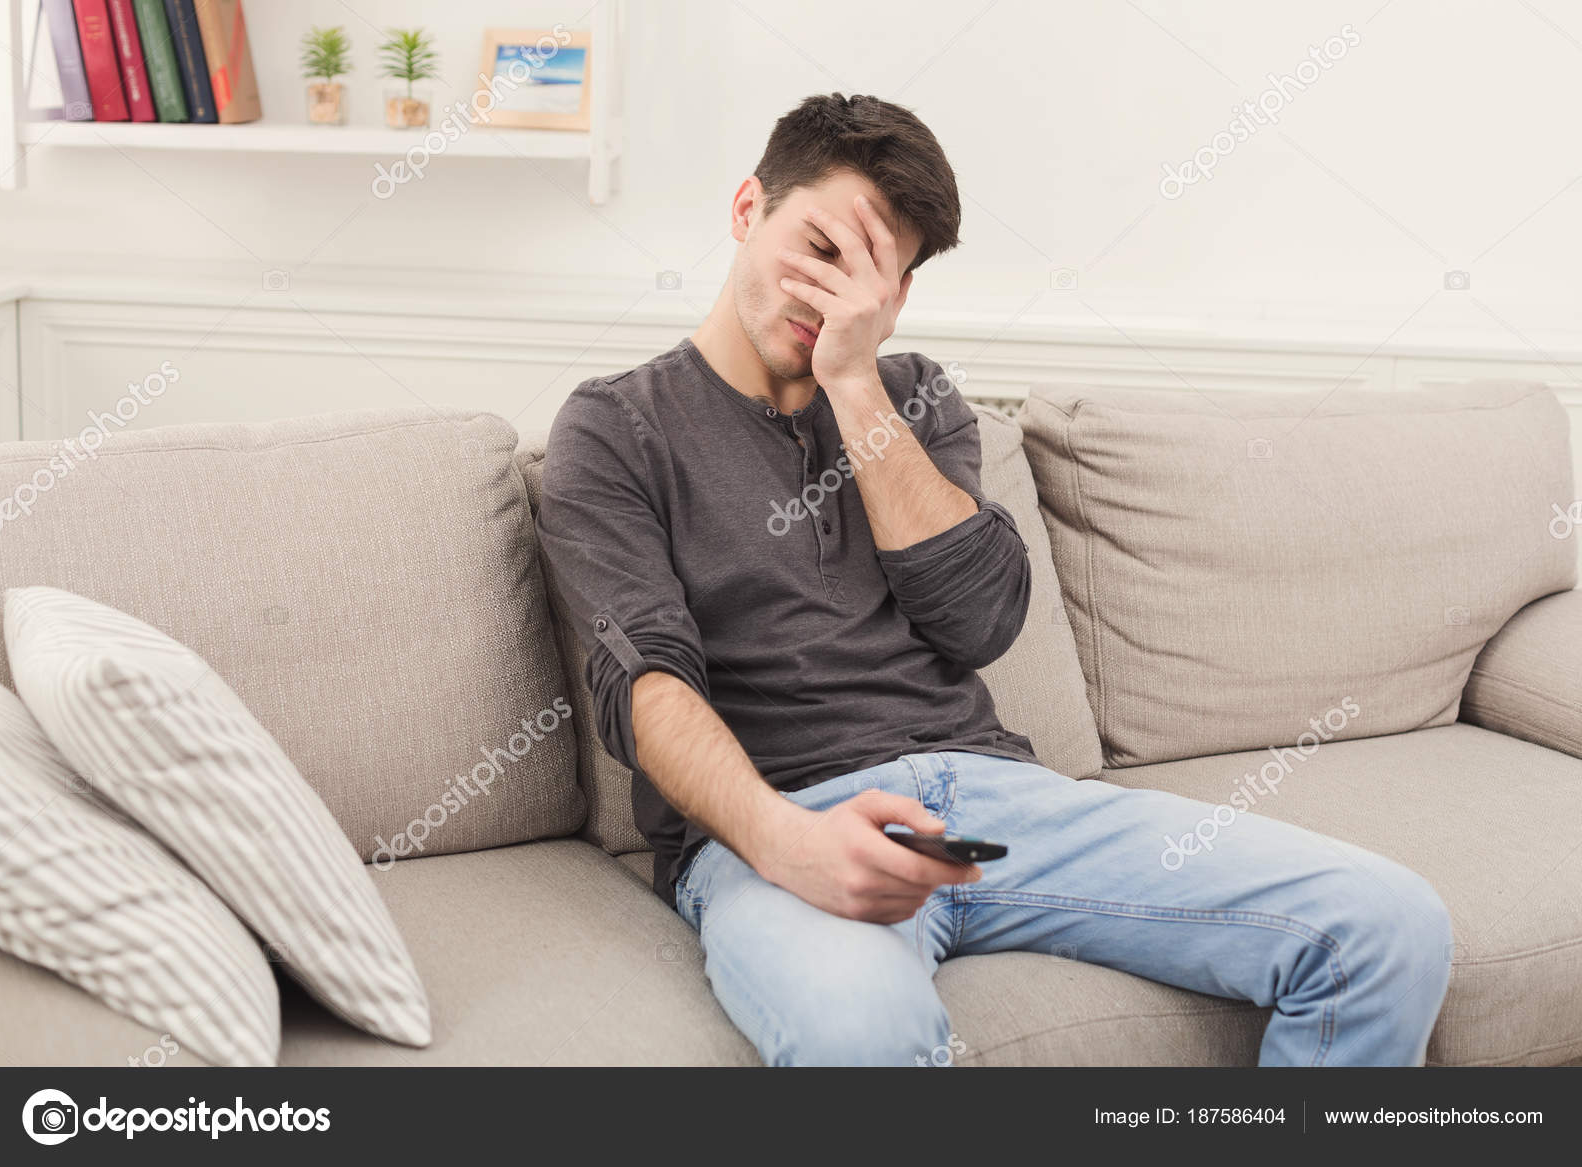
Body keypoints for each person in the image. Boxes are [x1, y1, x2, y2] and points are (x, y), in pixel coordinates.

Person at [536, 92, 1453, 1066]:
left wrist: (853, 384)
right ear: (745, 211)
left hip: (996, 798)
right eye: (816, 246)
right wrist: (781, 841)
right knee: (860, 1030)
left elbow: (976, 622)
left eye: (871, 275)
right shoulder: (615, 427)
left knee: (1387, 925)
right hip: (785, 823)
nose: (830, 293)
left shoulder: (916, 397)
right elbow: (644, 685)